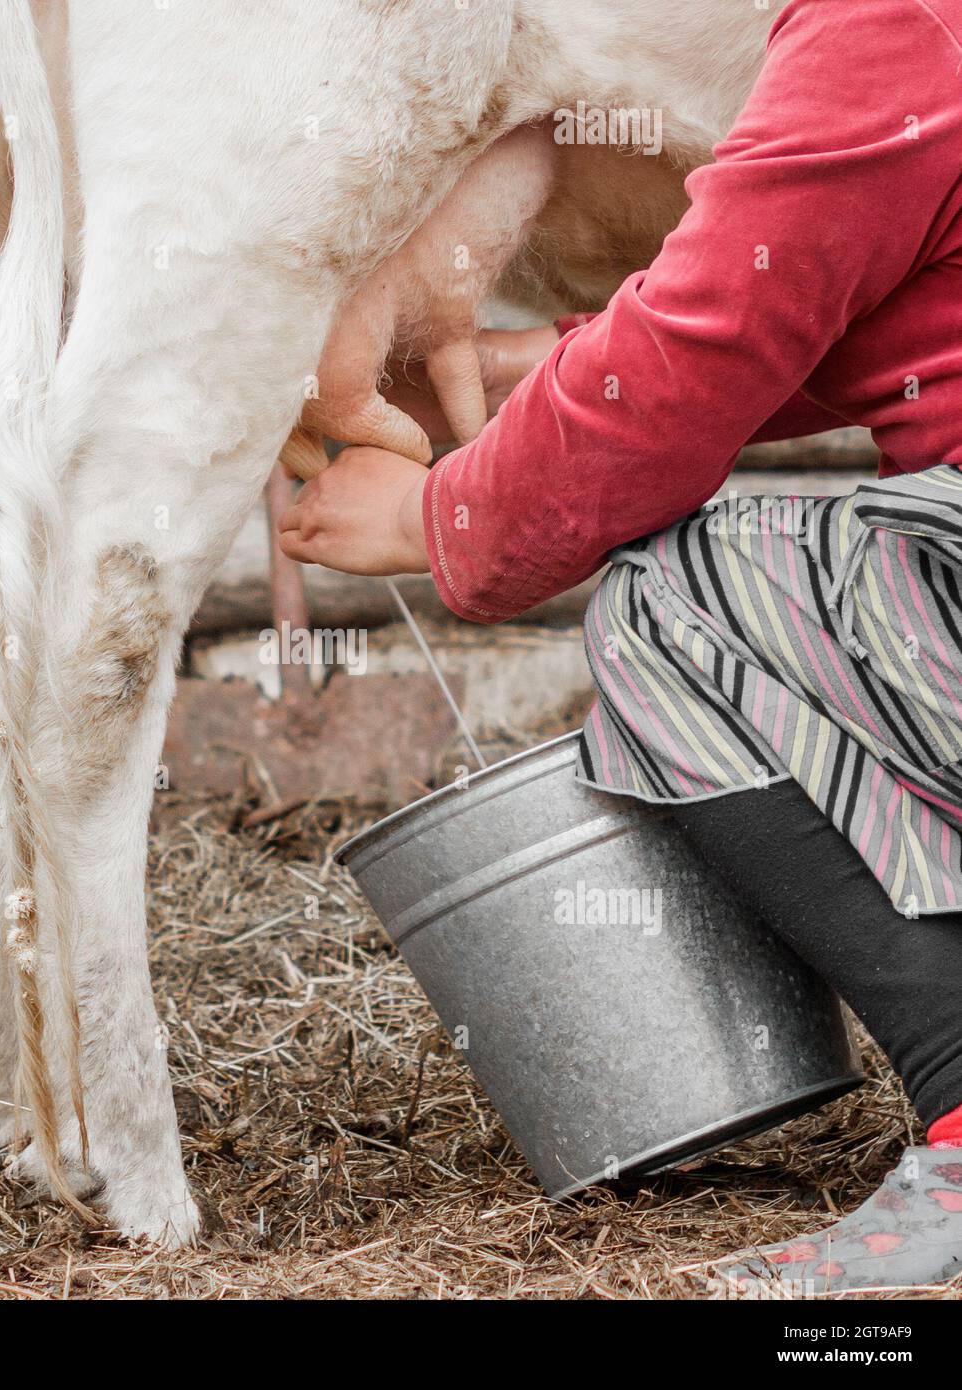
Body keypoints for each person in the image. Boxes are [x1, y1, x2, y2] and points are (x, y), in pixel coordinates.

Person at [278, 0, 962, 1293]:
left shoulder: (893, 27)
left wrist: (435, 514)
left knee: (678, 601)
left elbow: (687, 377)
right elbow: (820, 296)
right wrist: (529, 360)